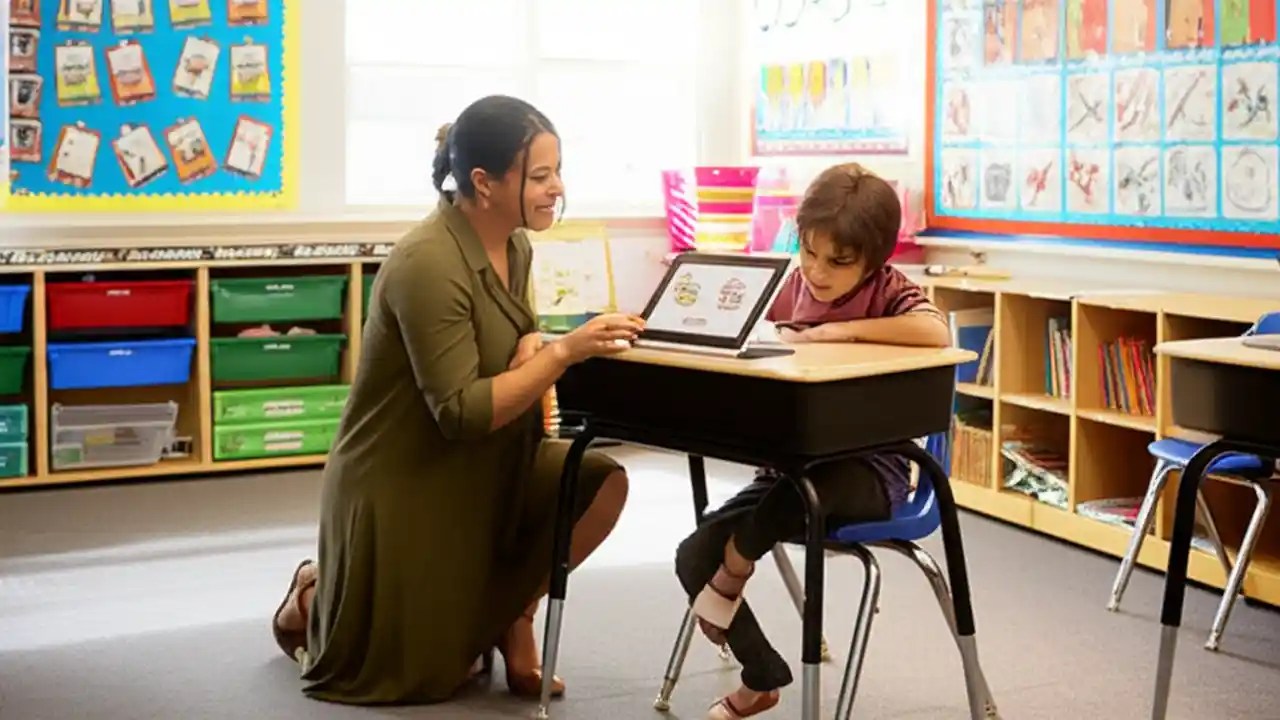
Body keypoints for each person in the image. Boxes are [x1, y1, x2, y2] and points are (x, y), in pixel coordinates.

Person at [270, 95, 644, 706]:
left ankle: (514, 617)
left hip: (493, 455)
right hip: (409, 475)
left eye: (557, 172)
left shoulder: (515, 245)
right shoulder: (427, 263)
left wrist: (533, 344)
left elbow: (508, 338)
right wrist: (561, 353)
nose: (557, 189)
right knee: (423, 678)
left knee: (599, 482)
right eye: (540, 176)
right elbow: (461, 414)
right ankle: (313, 595)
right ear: (484, 183)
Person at [673, 163, 951, 719]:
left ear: (874, 260)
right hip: (789, 469)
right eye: (809, 252)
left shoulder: (889, 291)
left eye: (839, 262)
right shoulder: (792, 286)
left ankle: (735, 568)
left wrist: (840, 330)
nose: (818, 272)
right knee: (693, 553)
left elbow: (935, 330)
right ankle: (761, 675)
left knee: (792, 500)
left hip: (870, 475)